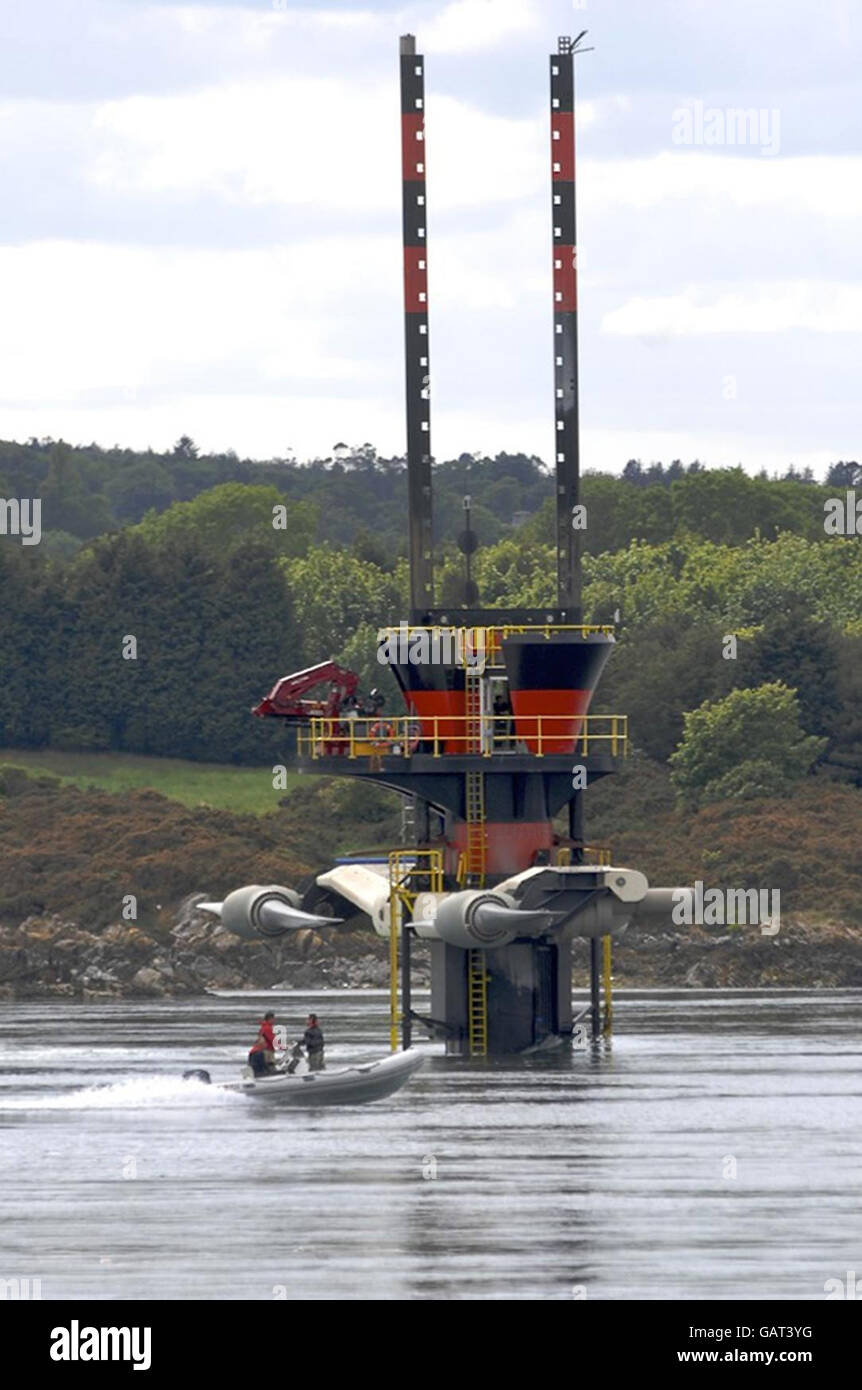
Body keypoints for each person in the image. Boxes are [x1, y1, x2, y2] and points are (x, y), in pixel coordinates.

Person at [248, 1010, 278, 1077]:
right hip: (268, 1051)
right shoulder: (267, 1028)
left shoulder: (264, 1027)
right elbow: (273, 1039)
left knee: (268, 1065)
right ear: (269, 1019)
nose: (274, 1020)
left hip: (265, 1050)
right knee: (270, 1065)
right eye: (273, 1019)